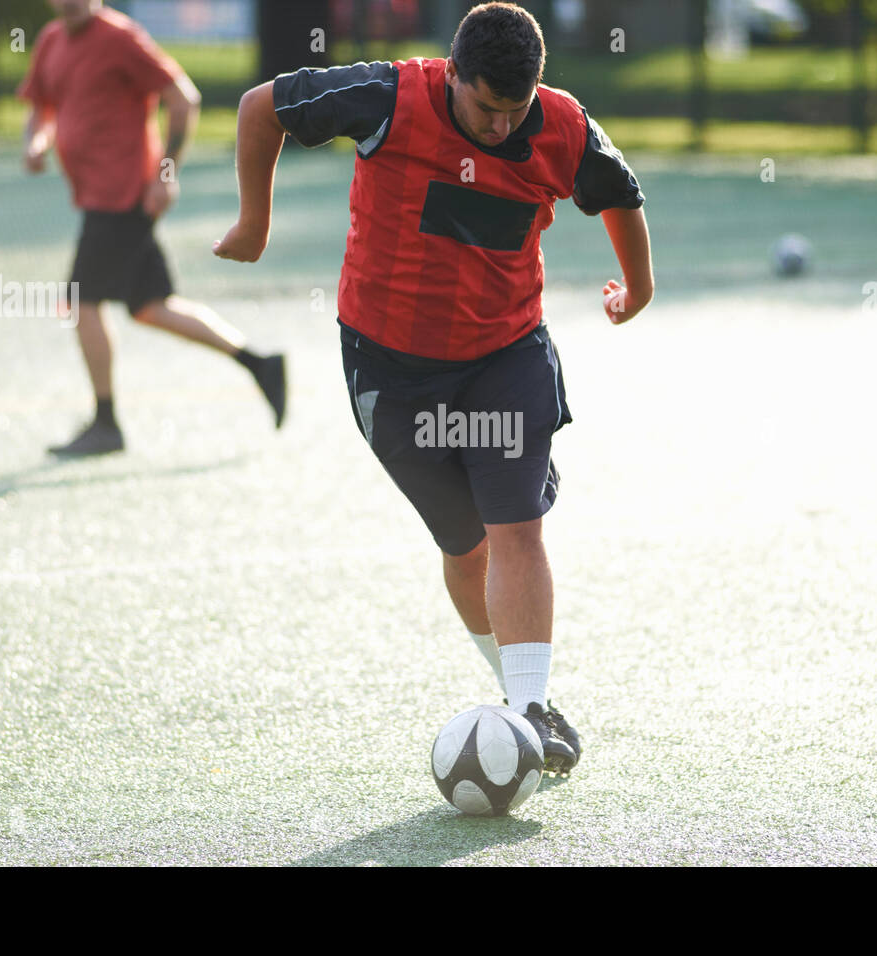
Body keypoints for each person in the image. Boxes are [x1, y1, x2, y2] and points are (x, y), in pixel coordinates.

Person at [214, 2, 653, 775]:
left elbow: (618, 193)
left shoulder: (562, 125)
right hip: (392, 369)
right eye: (486, 107)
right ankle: (514, 691)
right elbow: (262, 107)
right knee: (466, 547)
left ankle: (529, 710)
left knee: (517, 525)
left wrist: (639, 289)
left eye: (514, 110)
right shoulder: (386, 98)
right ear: (453, 74)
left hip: (505, 354)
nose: (499, 126)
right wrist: (255, 222)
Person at [19, 0, 285, 456]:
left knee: (82, 301)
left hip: (123, 198)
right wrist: (37, 143)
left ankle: (106, 423)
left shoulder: (120, 38)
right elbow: (42, 108)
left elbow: (184, 98)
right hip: (95, 198)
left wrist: (165, 174)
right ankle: (259, 364)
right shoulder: (50, 41)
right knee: (150, 307)